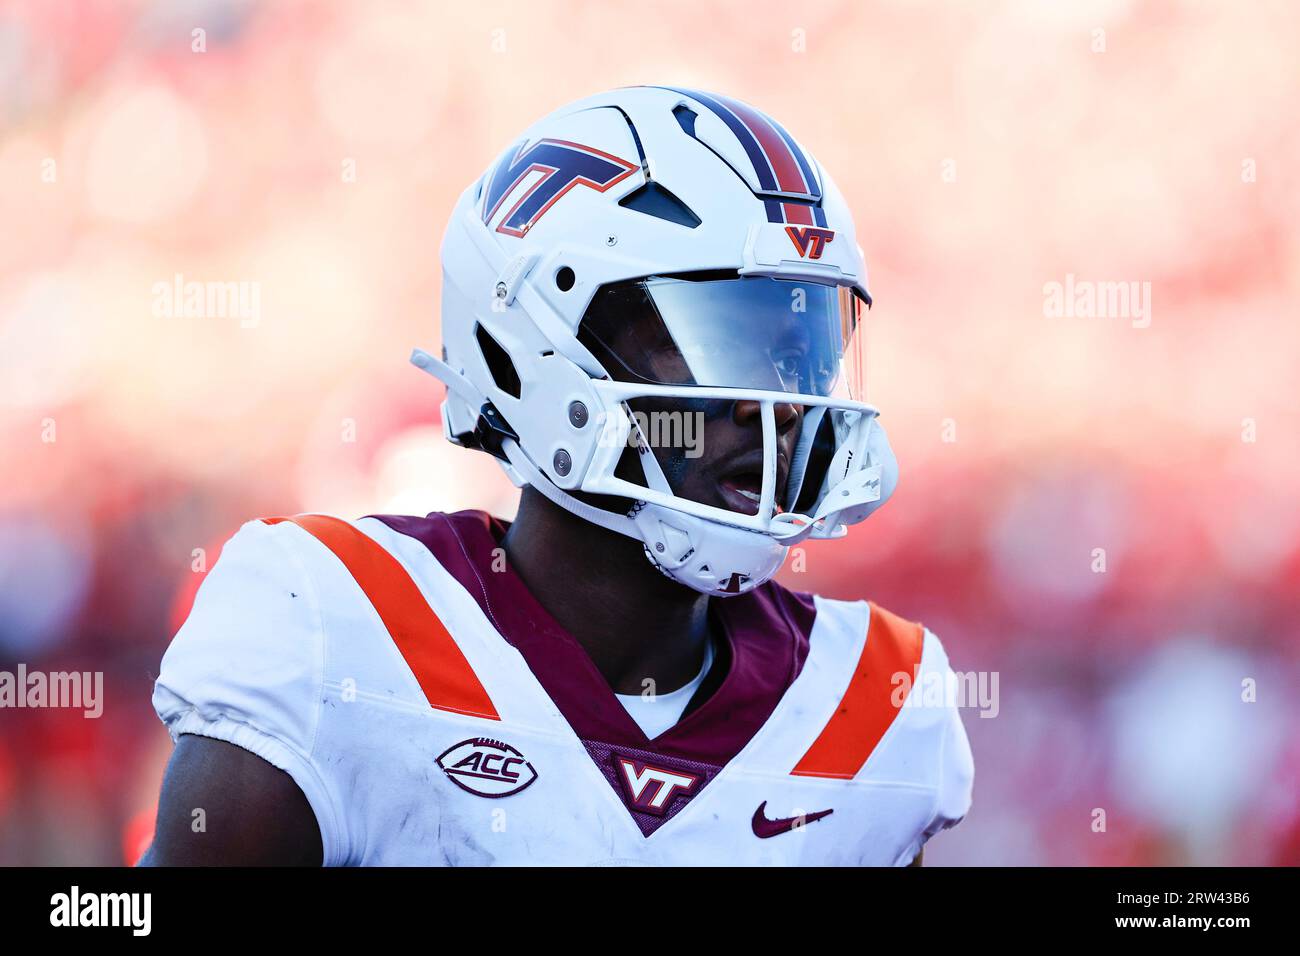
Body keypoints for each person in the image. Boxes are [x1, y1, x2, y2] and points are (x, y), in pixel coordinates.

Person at [141, 86, 973, 866]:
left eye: (801, 355)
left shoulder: (873, 707)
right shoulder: (331, 623)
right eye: (728, 343)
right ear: (538, 347)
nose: (782, 406)